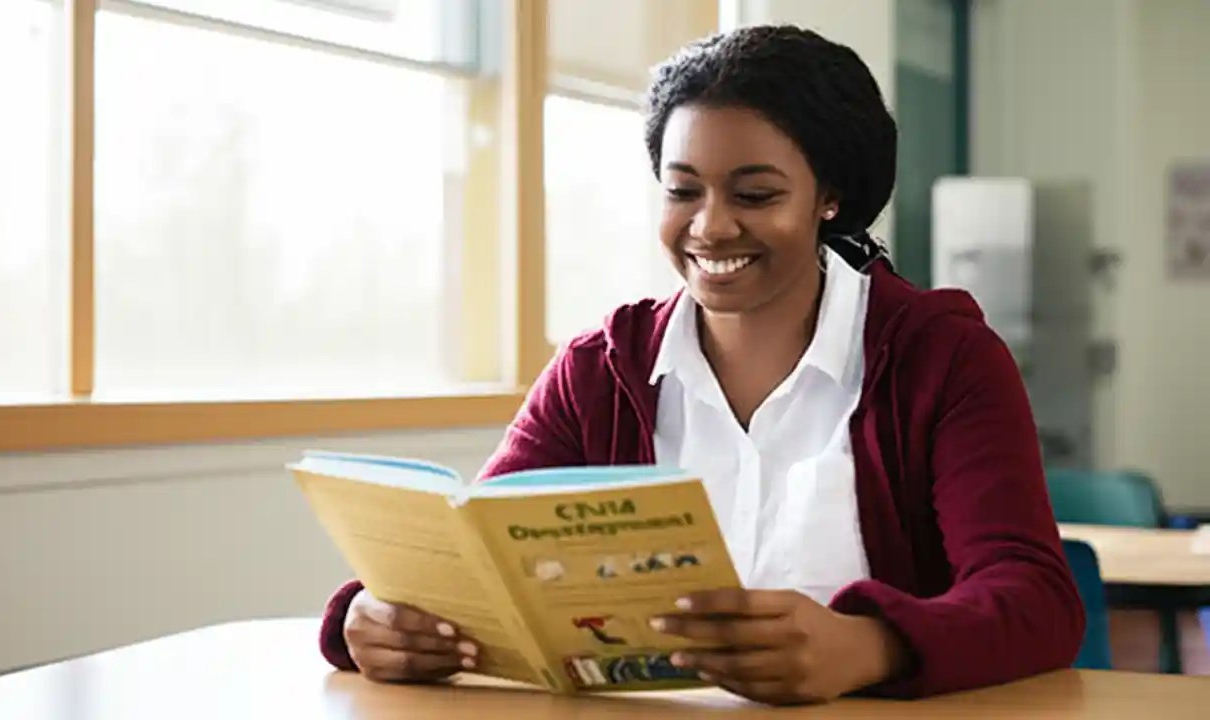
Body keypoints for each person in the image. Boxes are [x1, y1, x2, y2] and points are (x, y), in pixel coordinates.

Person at [317, 24, 1084, 705]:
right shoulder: (599, 370)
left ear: (830, 197)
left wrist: (867, 647)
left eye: (756, 193)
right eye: (683, 191)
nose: (711, 227)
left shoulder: (943, 358)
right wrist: (369, 619)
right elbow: (477, 560)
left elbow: (1036, 598)